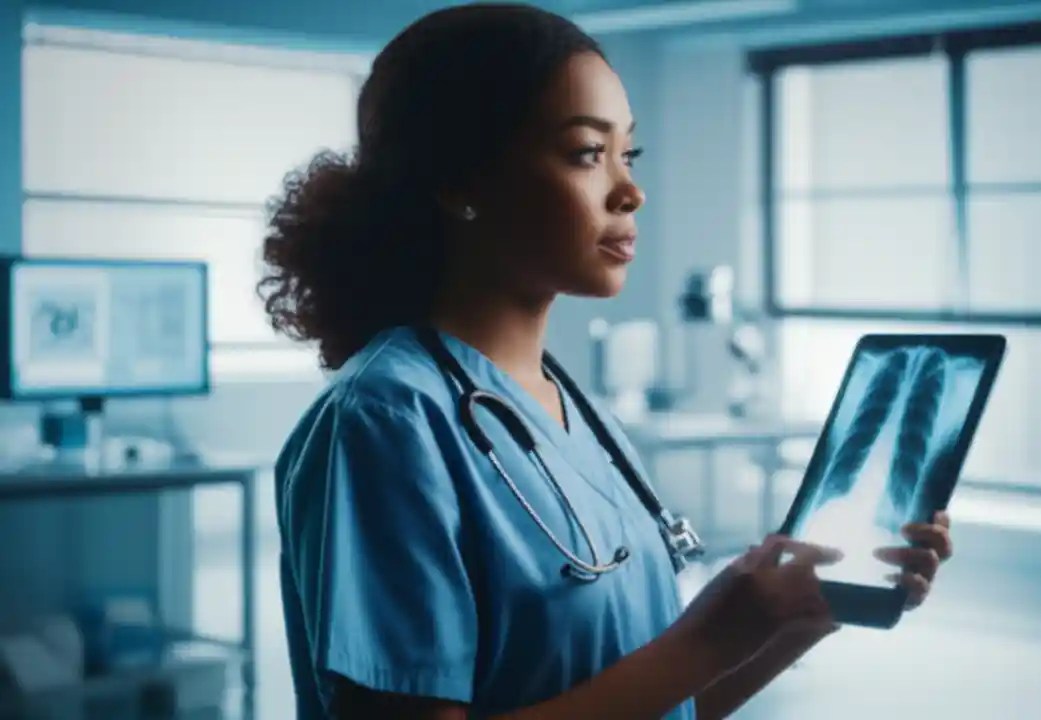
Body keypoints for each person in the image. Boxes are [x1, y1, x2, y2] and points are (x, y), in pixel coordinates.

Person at [259, 4, 954, 719]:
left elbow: (662, 705)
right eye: (588, 153)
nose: (630, 190)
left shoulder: (571, 410)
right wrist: (708, 638)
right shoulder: (386, 421)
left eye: (630, 154)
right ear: (458, 180)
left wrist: (798, 617)